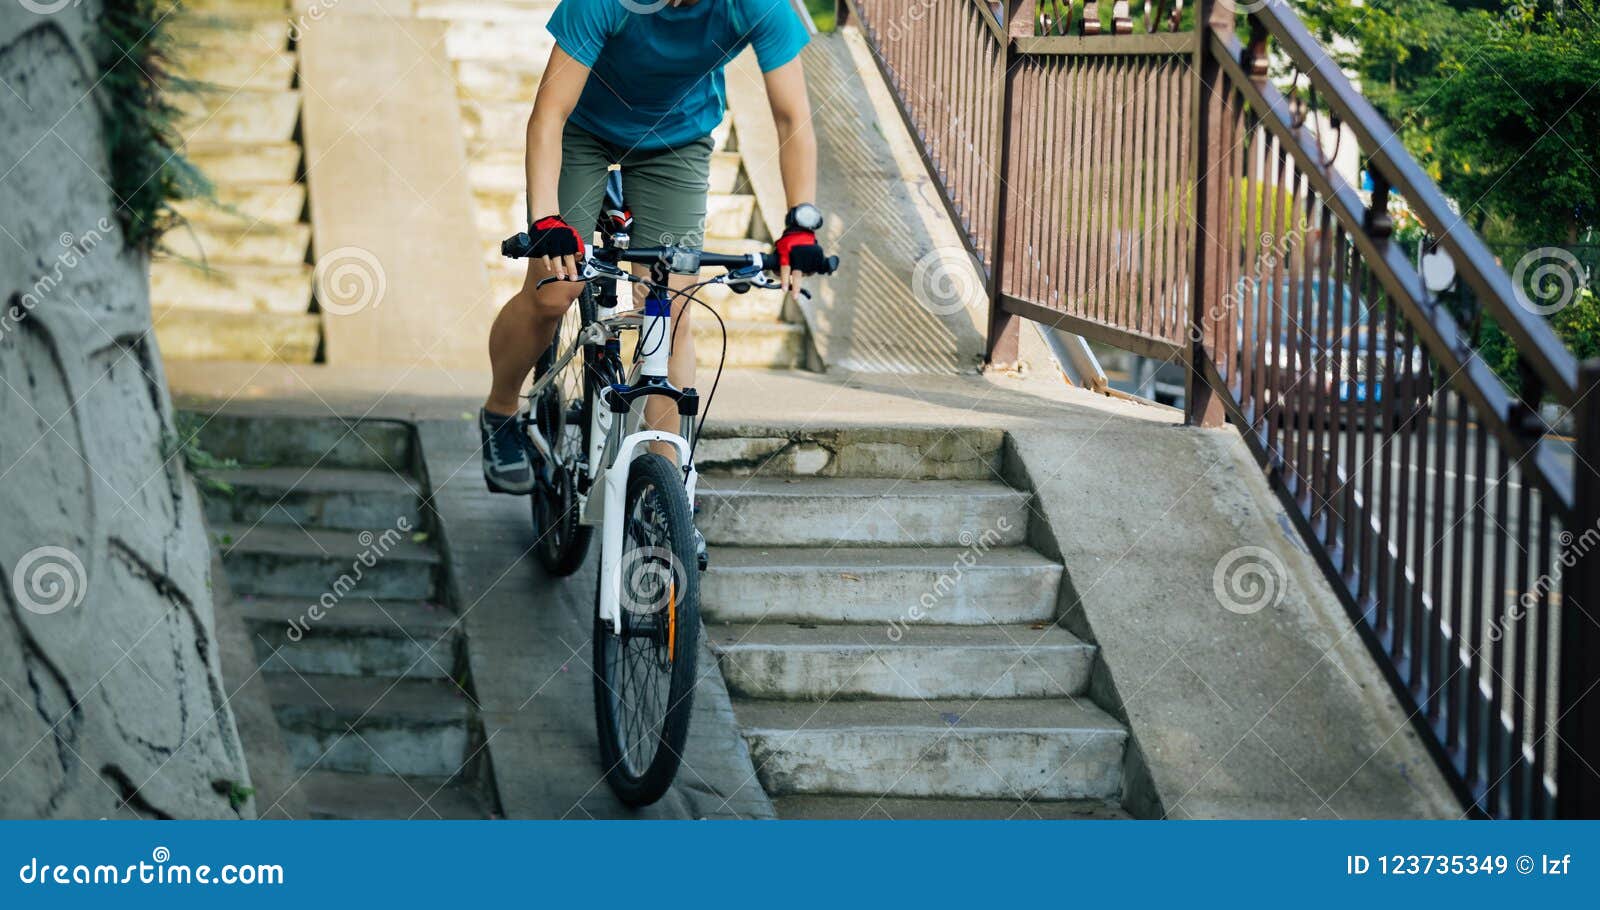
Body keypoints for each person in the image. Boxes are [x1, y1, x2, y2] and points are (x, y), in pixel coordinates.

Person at [479, 0, 831, 493]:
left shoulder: (756, 5)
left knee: (670, 311)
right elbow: (549, 115)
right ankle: (499, 411)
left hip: (676, 140)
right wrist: (546, 219)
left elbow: (792, 116)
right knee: (554, 290)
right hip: (583, 131)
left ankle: (667, 486)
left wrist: (800, 223)